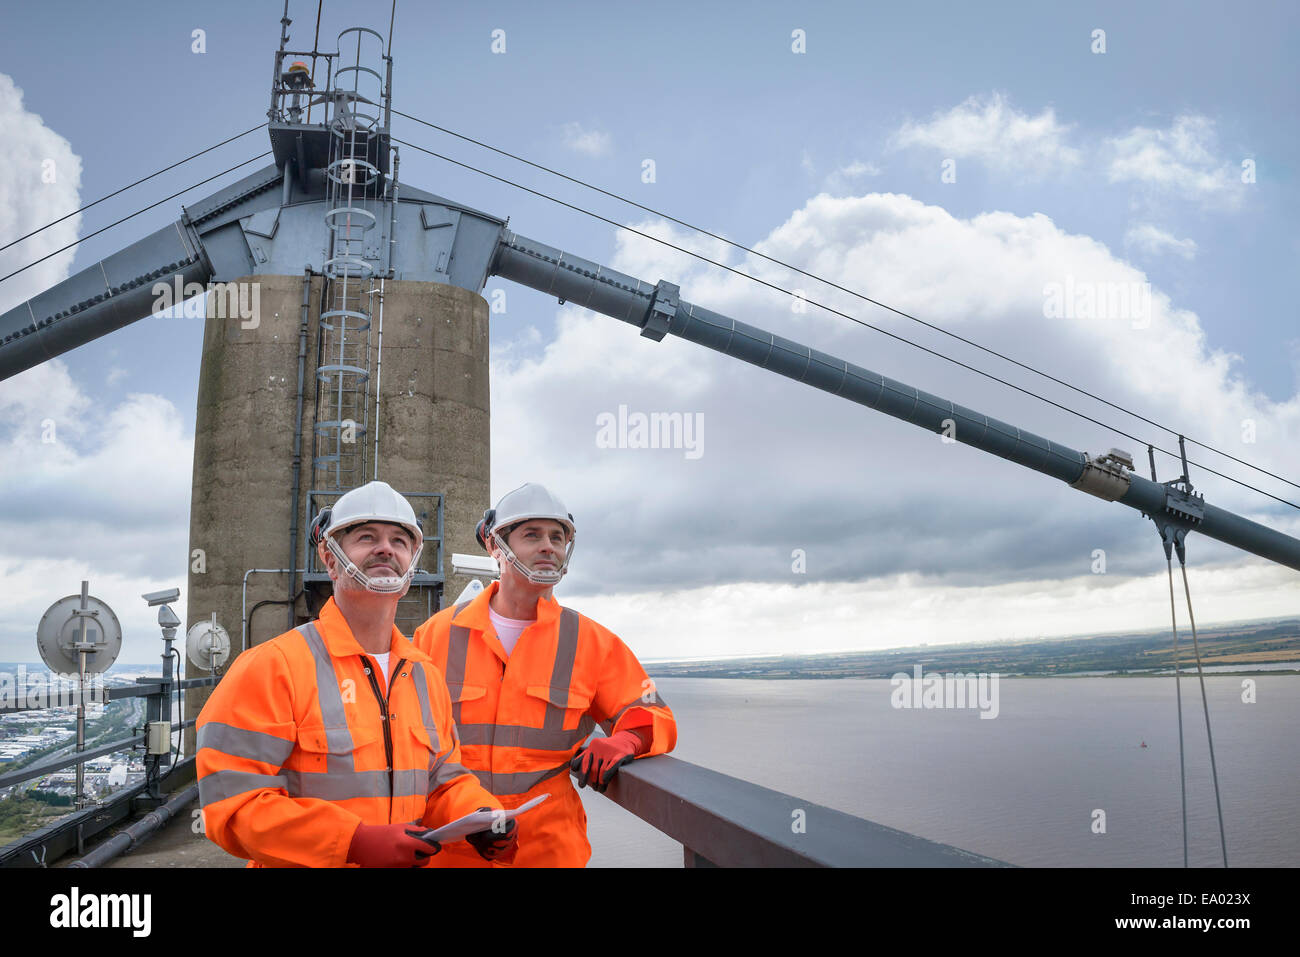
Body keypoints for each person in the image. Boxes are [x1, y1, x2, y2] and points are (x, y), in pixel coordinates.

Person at [196, 480, 518, 867]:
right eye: (367, 537)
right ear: (330, 559)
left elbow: (443, 779)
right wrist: (351, 841)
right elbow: (232, 805)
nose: (385, 548)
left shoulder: (424, 675)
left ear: (411, 565)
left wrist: (480, 815)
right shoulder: (273, 667)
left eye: (399, 541)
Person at [412, 482, 676, 867]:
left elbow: (655, 714)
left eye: (557, 537)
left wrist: (625, 742)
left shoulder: (590, 642)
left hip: (547, 852)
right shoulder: (435, 635)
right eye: (531, 535)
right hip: (453, 851)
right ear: (495, 545)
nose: (548, 546)